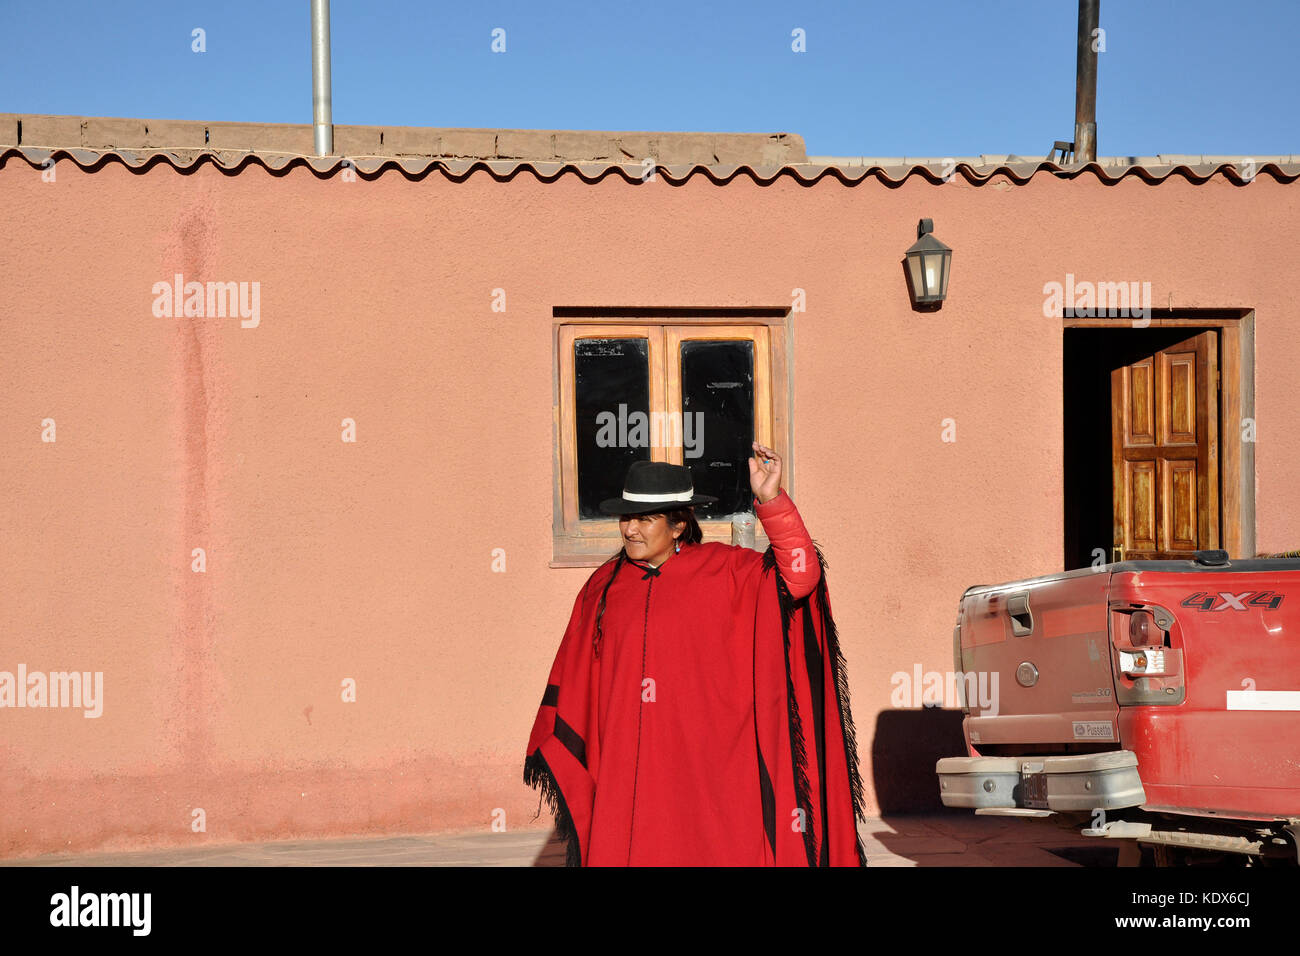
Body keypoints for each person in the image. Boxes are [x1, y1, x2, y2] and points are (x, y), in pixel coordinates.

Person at [524, 442, 866, 866]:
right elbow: (577, 679)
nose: (630, 530)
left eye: (645, 519)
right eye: (626, 517)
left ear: (679, 526)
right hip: (628, 777)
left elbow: (800, 577)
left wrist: (771, 500)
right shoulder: (604, 587)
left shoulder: (728, 572)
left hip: (711, 770)